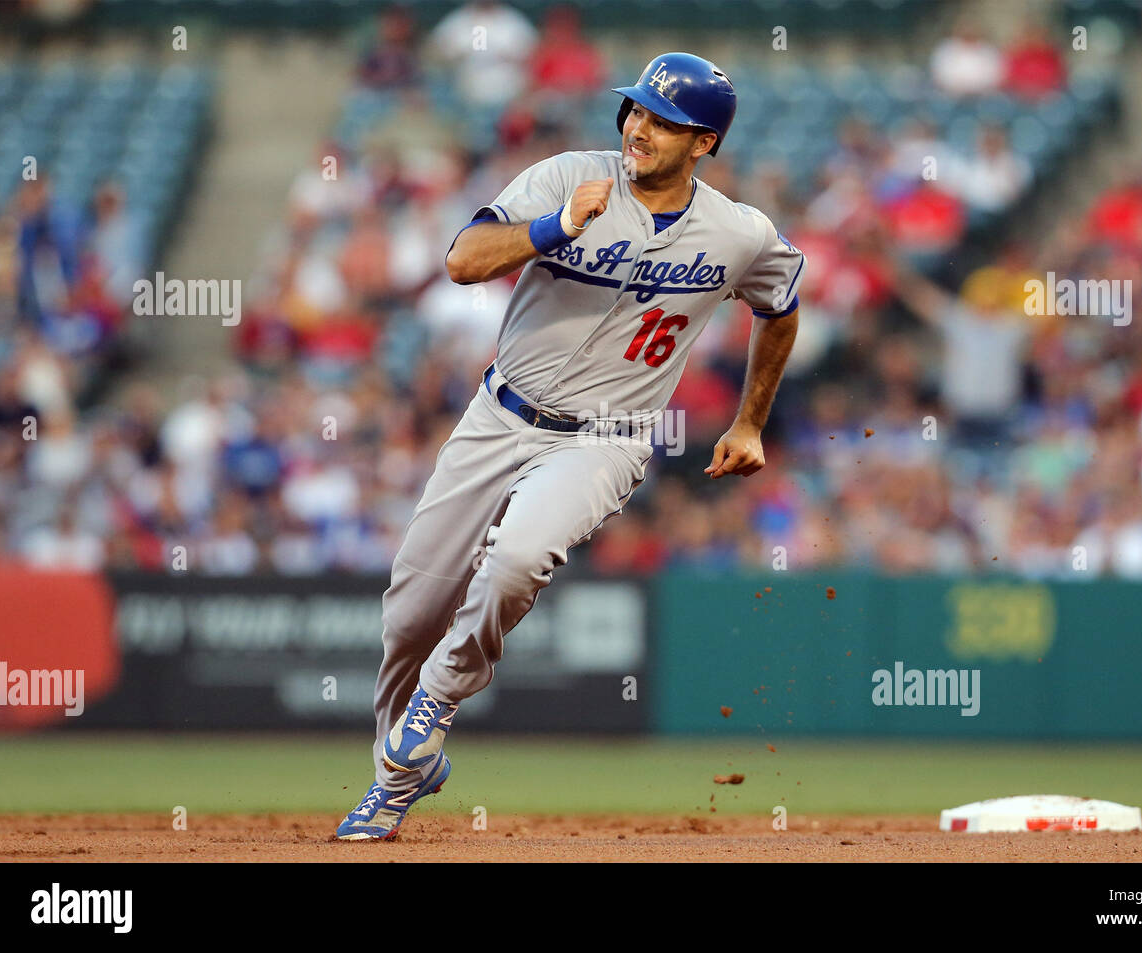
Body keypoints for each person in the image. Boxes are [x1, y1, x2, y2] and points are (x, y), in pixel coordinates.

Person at [336, 52, 805, 840]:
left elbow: (781, 303)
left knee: (517, 560)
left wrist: (751, 418)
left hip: (606, 438)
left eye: (664, 121)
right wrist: (557, 227)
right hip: (499, 415)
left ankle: (420, 729)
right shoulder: (565, 179)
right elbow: (461, 260)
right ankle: (408, 754)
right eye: (636, 111)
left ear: (704, 143)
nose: (640, 128)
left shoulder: (737, 233)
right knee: (411, 613)